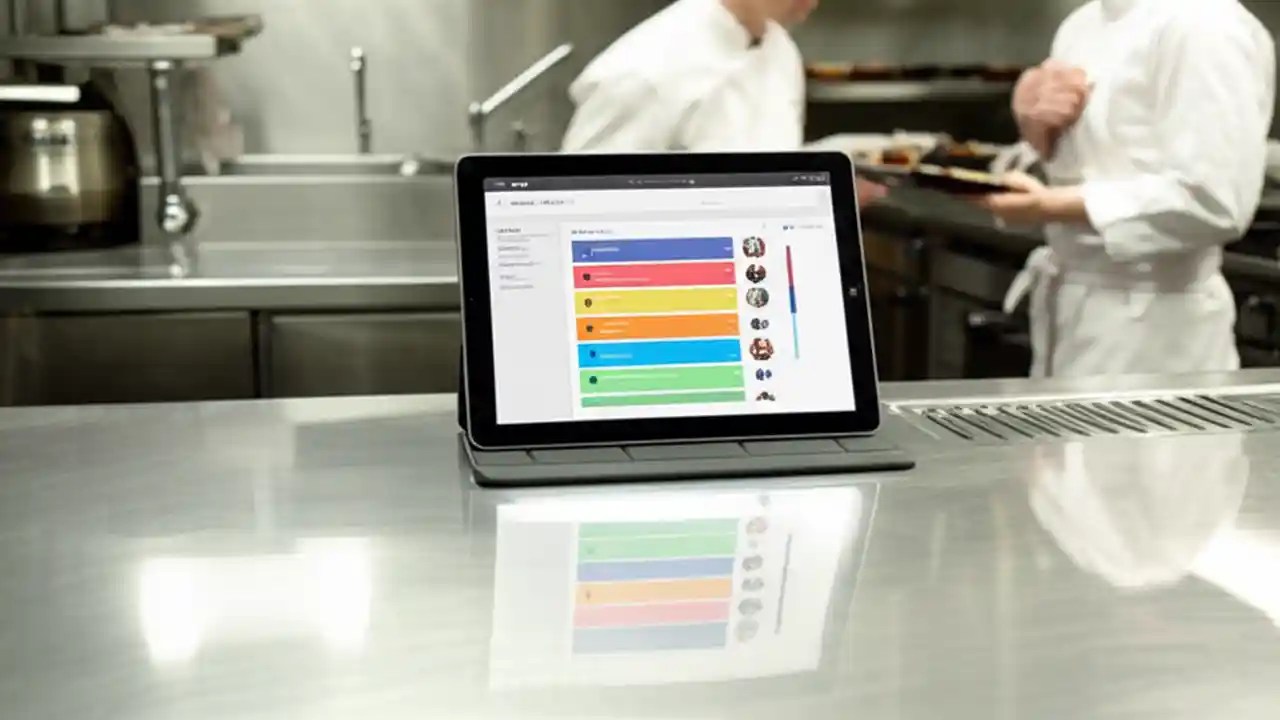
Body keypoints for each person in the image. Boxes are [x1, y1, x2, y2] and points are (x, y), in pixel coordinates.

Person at [978, 0, 1275, 378]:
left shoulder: (1206, 25)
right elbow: (1086, 165)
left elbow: (1215, 201)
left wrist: (1047, 206)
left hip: (1157, 331)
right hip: (1072, 315)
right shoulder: (1082, 24)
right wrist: (1035, 132)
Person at [562, 0, 887, 204]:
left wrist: (823, 194)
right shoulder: (644, 68)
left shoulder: (780, 49)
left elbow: (761, 166)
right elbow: (581, 204)